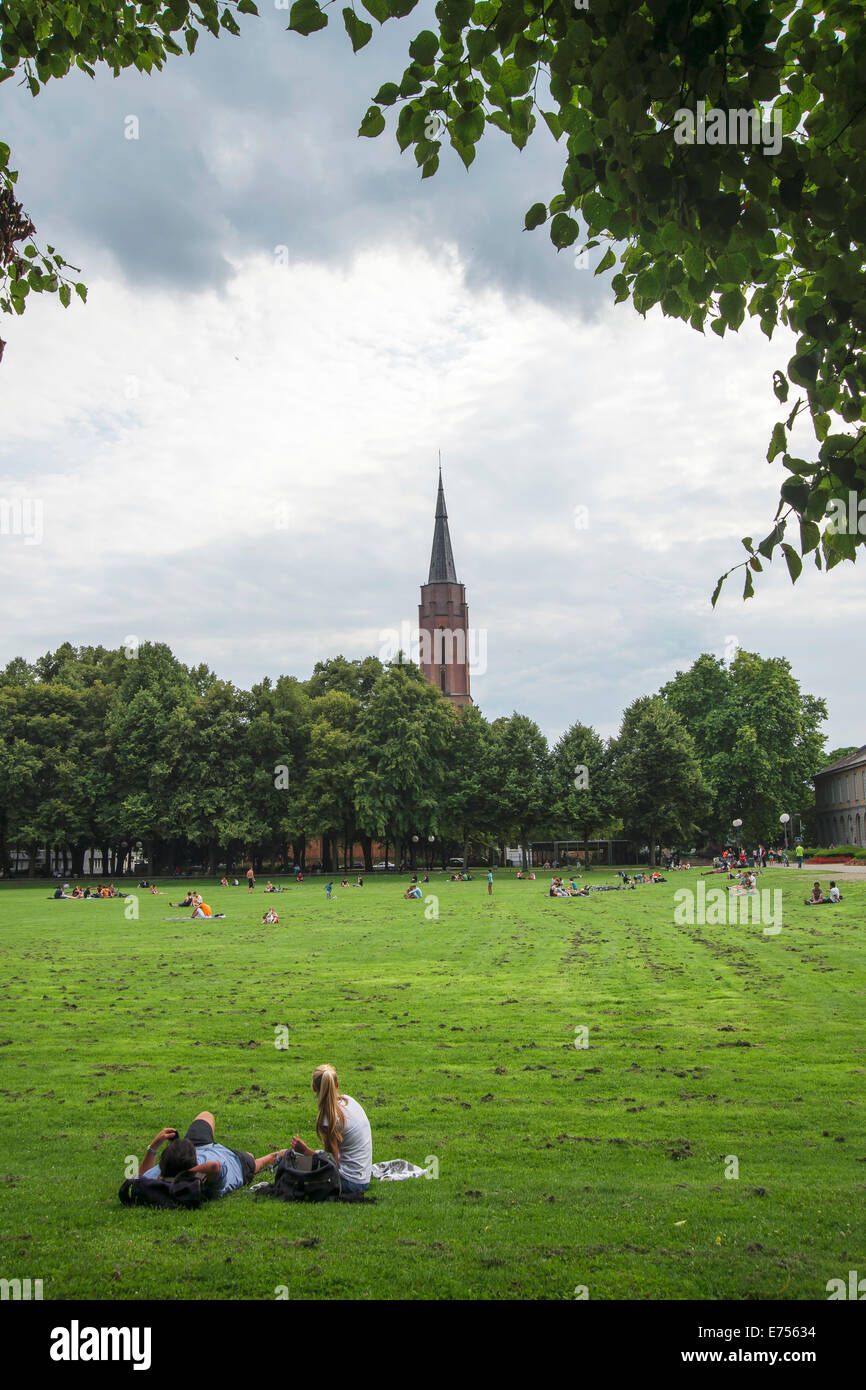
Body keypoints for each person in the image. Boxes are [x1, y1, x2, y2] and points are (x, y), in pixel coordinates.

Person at [137, 1113, 283, 1198]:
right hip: (234, 1161)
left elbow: (141, 1178)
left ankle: (197, 1145)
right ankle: (270, 1159)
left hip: (194, 1149)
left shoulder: (161, 1173)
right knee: (251, 1158)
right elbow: (215, 1166)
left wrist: (154, 1146)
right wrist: (185, 1174)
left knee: (205, 1115)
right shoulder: (204, 1182)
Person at [289, 1064, 372, 1195]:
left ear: (313, 1087)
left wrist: (304, 1151)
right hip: (362, 1177)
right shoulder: (349, 1101)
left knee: (292, 1162)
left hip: (350, 1183)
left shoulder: (330, 1118)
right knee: (295, 1160)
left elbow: (330, 1165)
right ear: (337, 1085)